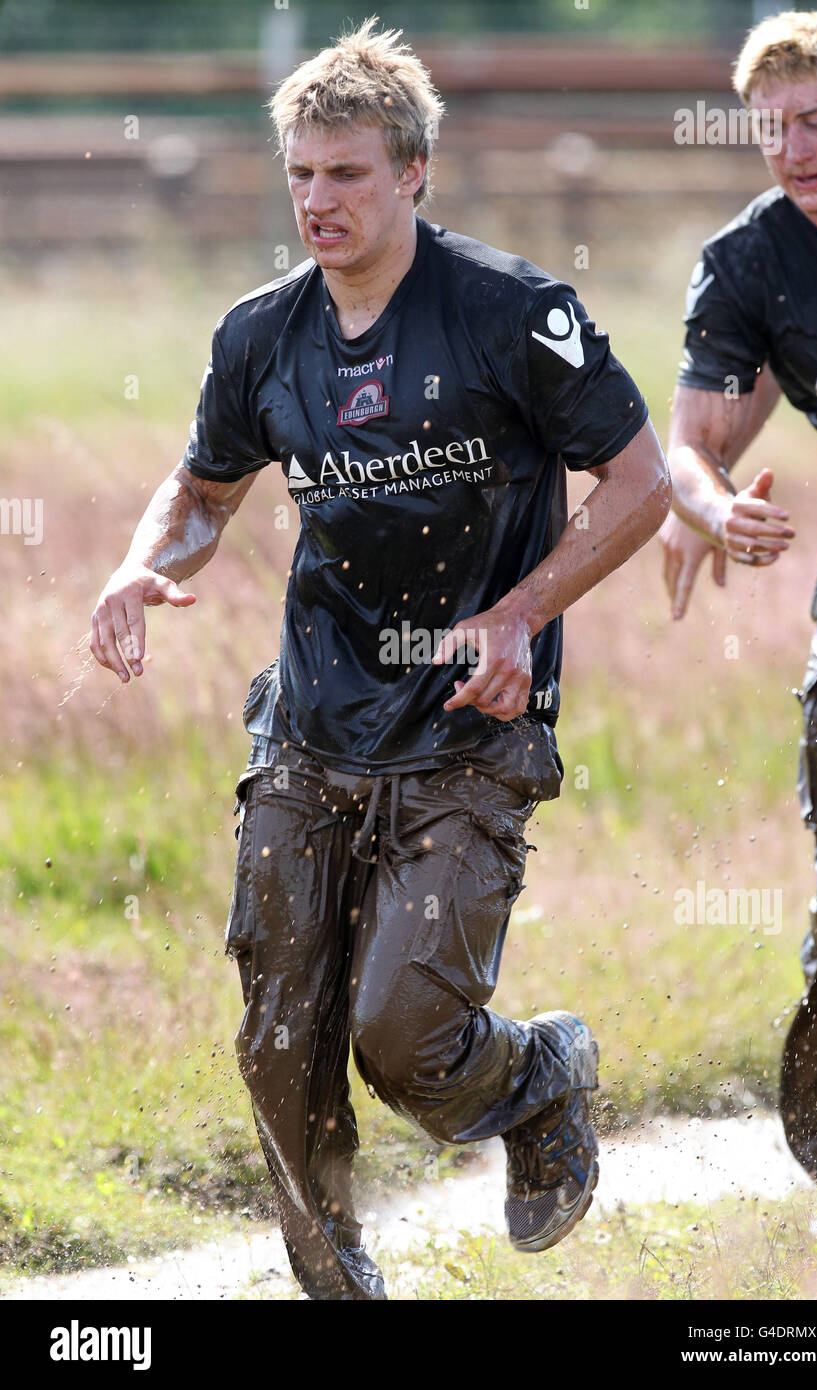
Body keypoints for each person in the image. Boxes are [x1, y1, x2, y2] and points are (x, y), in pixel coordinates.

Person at [91, 18, 669, 1300]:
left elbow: (637, 484)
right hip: (307, 723)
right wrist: (149, 562)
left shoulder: (516, 313)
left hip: (469, 723)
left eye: (346, 173)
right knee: (276, 1041)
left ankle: (540, 1077)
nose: (317, 201)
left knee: (402, 1037)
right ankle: (336, 1283)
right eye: (299, 174)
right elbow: (202, 491)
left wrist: (519, 612)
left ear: (413, 171)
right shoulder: (261, 333)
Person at [660, 9, 817, 1240]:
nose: (793, 149)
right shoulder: (747, 261)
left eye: (816, 121)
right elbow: (692, 440)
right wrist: (704, 503)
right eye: (770, 129)